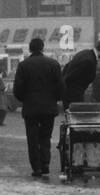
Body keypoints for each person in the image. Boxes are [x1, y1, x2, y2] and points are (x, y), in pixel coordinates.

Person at [12, 37, 65, 178]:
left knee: (33, 139)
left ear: (30, 48)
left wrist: (25, 99)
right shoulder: (53, 64)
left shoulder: (23, 65)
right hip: (48, 108)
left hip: (31, 108)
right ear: (43, 48)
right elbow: (60, 86)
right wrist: (55, 99)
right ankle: (45, 164)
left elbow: (18, 89)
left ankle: (36, 167)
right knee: (45, 137)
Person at [62, 39, 100, 105]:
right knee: (75, 114)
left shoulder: (85, 53)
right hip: (73, 96)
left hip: (69, 93)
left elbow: (67, 67)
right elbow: (73, 77)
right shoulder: (89, 61)